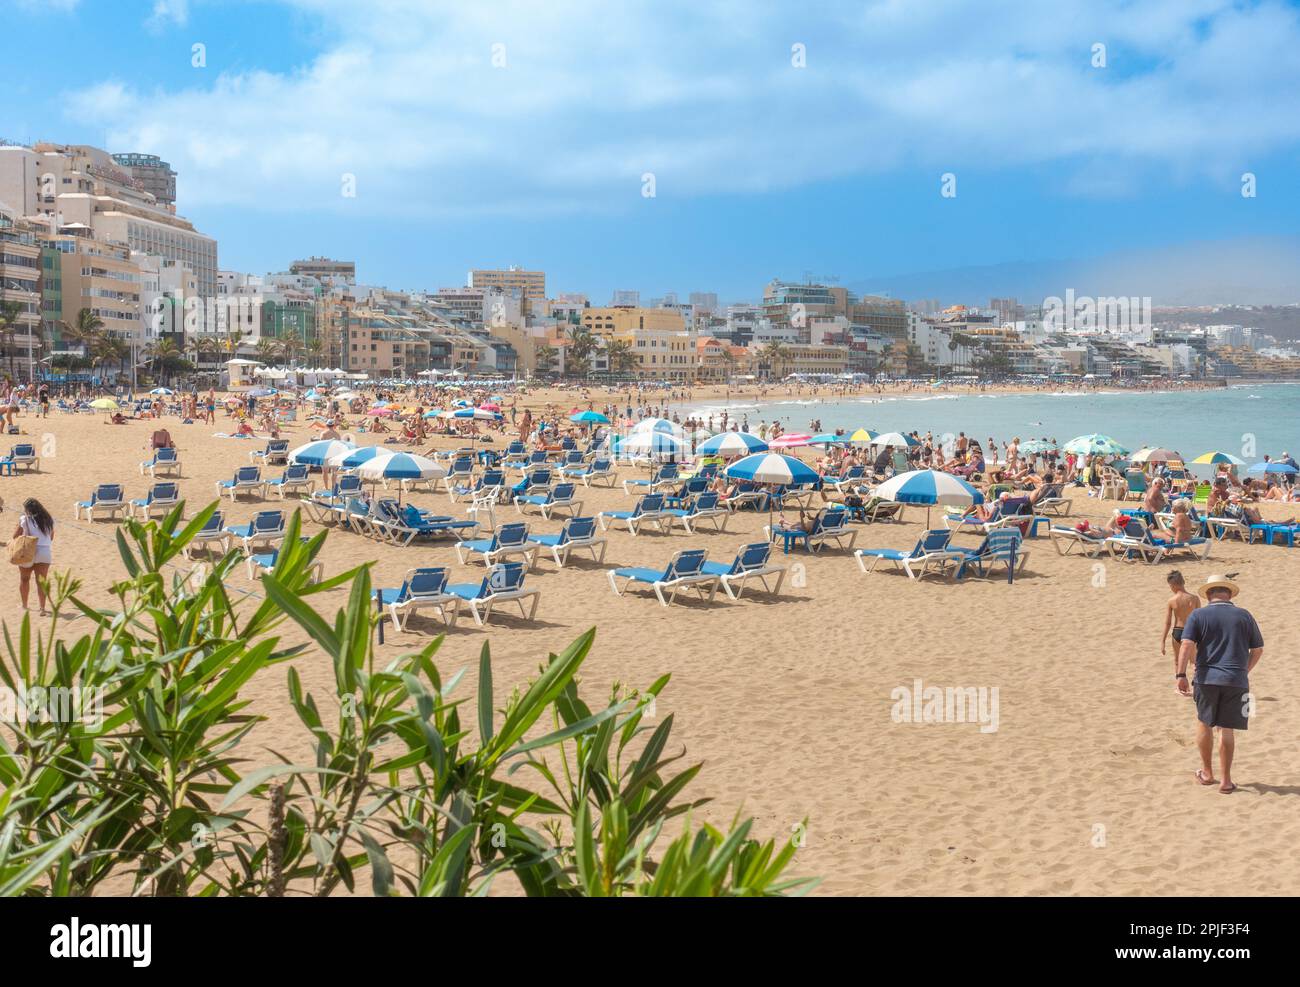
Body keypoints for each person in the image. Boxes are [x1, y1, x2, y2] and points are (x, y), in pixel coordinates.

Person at [1176, 575, 1263, 795]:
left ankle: (1207, 773)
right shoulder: (1244, 615)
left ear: (1207, 595)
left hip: (1207, 678)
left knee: (1204, 723)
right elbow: (1258, 650)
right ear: (1230, 594)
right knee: (1227, 728)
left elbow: (1186, 644)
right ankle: (1226, 780)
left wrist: (1180, 674)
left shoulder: (1198, 615)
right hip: (1236, 680)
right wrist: (1244, 671)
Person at [13, 498, 55, 616]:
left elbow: (15, 536)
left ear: (28, 510)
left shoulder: (24, 519)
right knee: (41, 582)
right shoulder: (49, 520)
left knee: (24, 579)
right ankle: (42, 608)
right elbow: (51, 537)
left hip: (28, 551)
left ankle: (25, 605)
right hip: (44, 552)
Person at [1161, 570, 1199, 679]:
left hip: (1177, 632)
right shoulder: (1194, 599)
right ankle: (1196, 683)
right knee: (1193, 662)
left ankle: (1179, 685)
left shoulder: (1171, 600)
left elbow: (1167, 623)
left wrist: (1163, 641)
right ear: (1183, 582)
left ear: (1172, 585)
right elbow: (1200, 620)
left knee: (1177, 661)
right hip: (1191, 632)